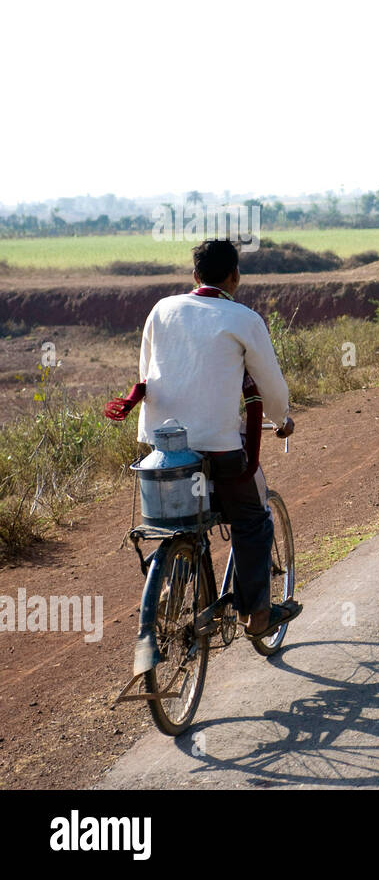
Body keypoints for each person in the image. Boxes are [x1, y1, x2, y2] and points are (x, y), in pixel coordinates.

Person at [110, 238, 300, 644]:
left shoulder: (162, 310)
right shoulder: (244, 319)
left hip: (167, 450)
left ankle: (171, 585)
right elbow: (270, 386)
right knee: (252, 520)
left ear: (194, 276)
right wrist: (281, 419)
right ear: (236, 277)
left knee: (184, 518)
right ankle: (259, 614)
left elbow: (147, 371)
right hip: (220, 446)